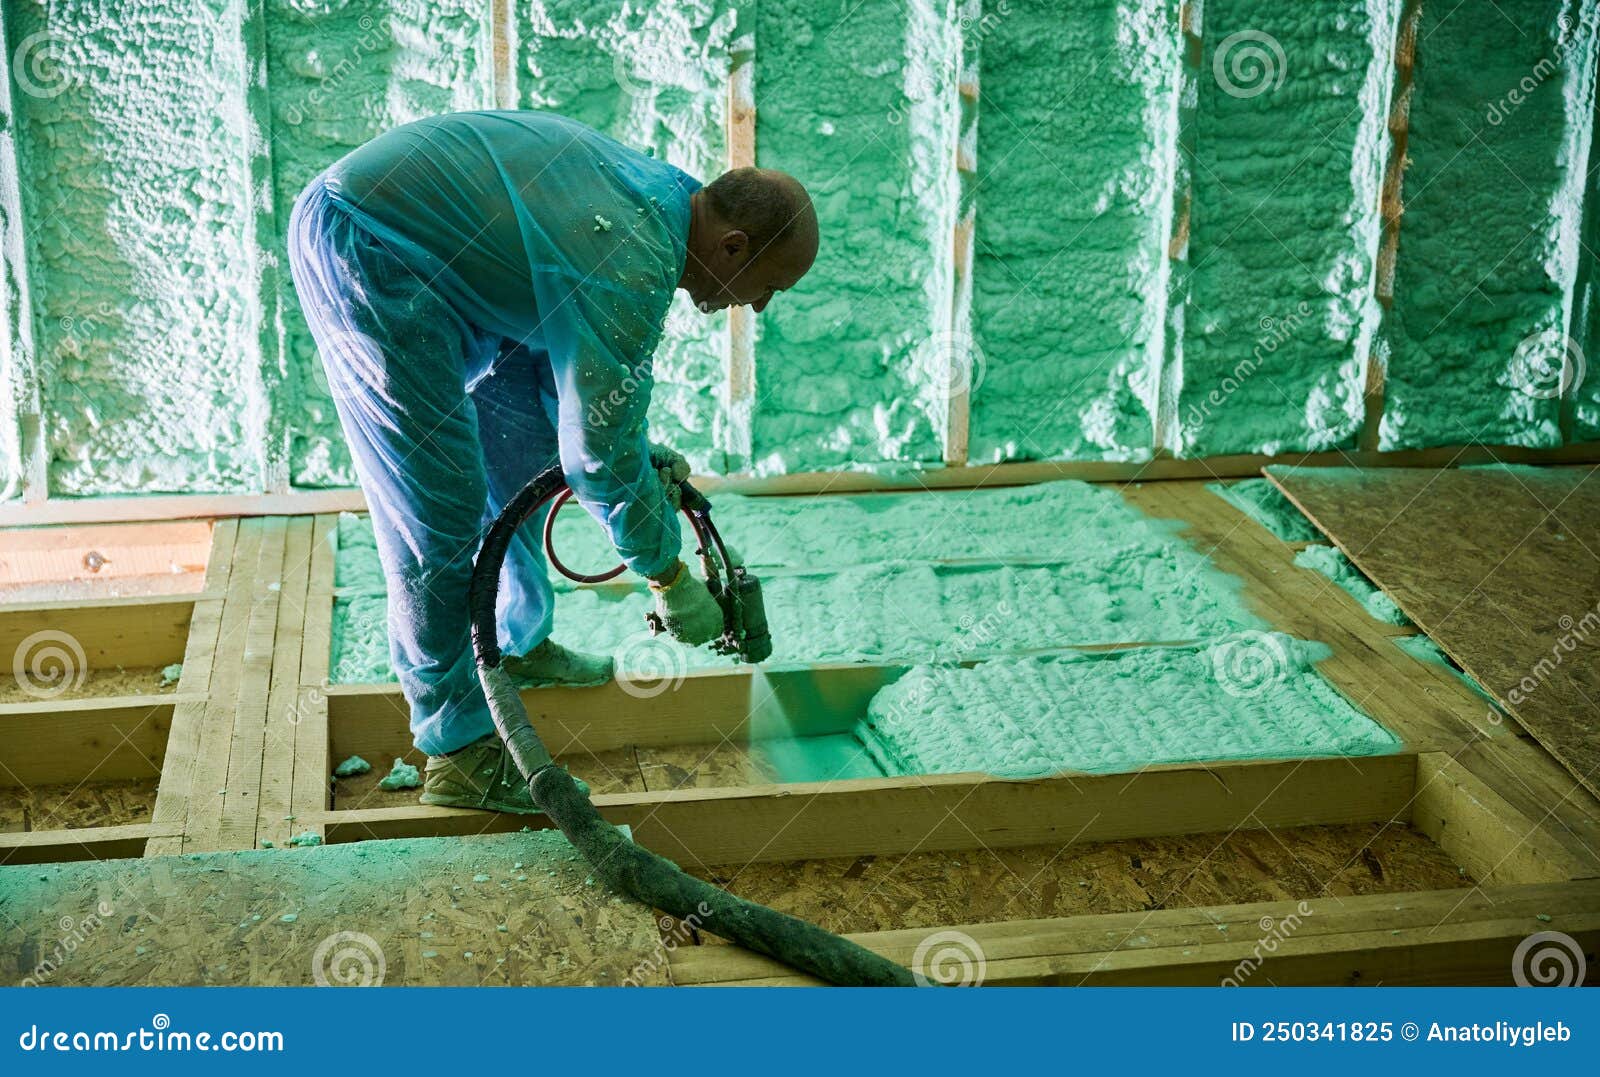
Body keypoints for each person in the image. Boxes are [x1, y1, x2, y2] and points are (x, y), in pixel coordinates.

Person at [287, 110, 818, 812]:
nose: (761, 306)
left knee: (519, 454)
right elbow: (598, 455)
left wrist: (633, 456)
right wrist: (668, 576)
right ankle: (456, 753)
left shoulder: (666, 201)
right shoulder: (636, 252)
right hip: (370, 247)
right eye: (769, 285)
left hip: (416, 248)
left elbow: (577, 403)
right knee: (437, 510)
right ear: (733, 245)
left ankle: (514, 642)